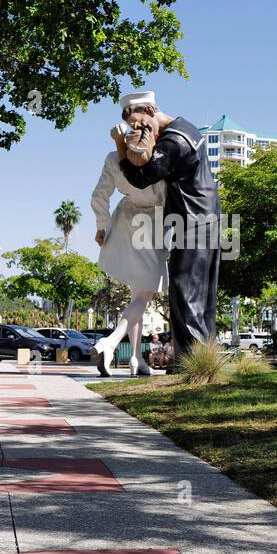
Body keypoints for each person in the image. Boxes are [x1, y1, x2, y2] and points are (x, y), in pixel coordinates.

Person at [113, 95, 221, 368]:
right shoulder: (187, 127)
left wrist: (120, 147)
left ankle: (189, 363)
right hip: (207, 219)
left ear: (150, 110)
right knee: (202, 296)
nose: (138, 132)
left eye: (140, 124)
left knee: (185, 293)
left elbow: (141, 178)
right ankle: (204, 361)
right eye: (132, 128)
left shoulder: (174, 141)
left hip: (194, 222)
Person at [89, 91, 170, 377]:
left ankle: (136, 357)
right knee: (143, 296)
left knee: (137, 293)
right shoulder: (163, 154)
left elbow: (99, 196)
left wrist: (101, 226)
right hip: (151, 225)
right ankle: (110, 343)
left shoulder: (115, 156)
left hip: (124, 220)